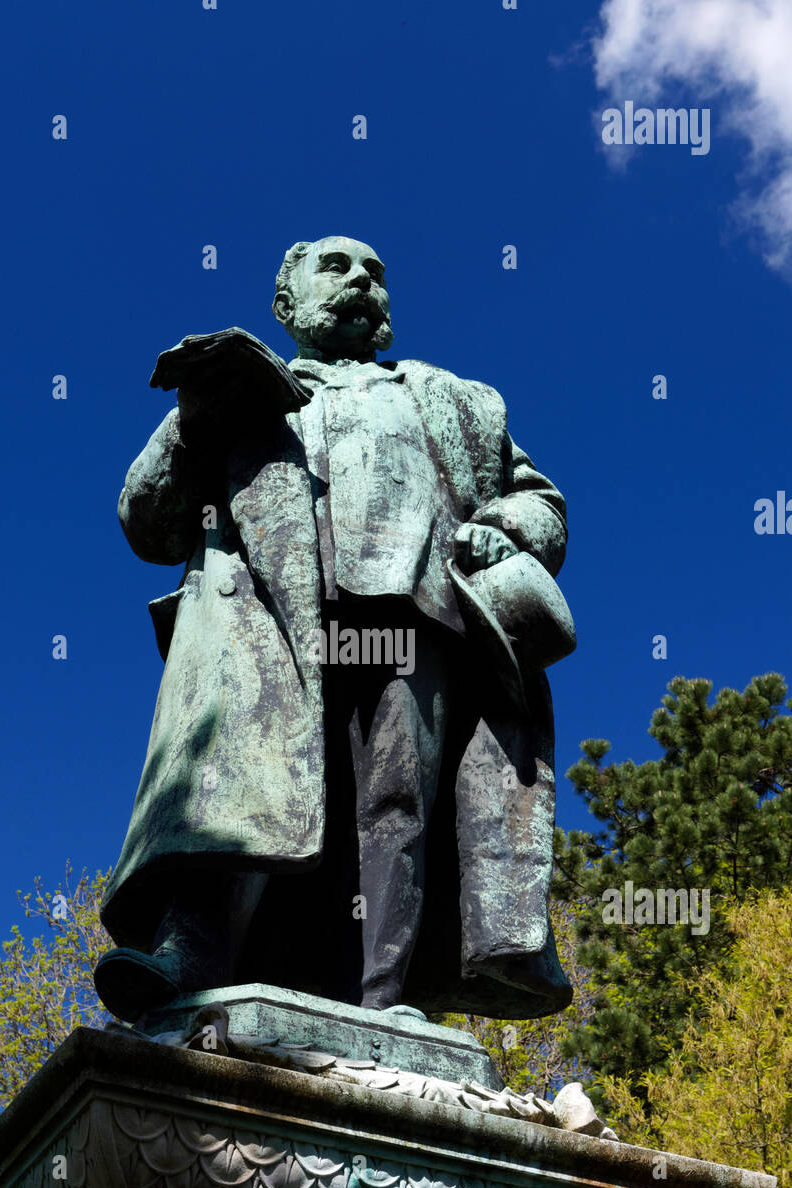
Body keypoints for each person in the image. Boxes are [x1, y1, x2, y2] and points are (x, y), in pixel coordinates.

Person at [95, 235, 575, 1025]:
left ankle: (385, 998)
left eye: (375, 273)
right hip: (266, 617)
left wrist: (505, 526)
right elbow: (147, 524)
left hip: (416, 611)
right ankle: (191, 956)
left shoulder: (453, 398)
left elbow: (541, 501)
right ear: (286, 306)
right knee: (236, 784)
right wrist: (196, 423)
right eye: (336, 267)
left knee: (397, 801)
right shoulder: (241, 389)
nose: (360, 281)